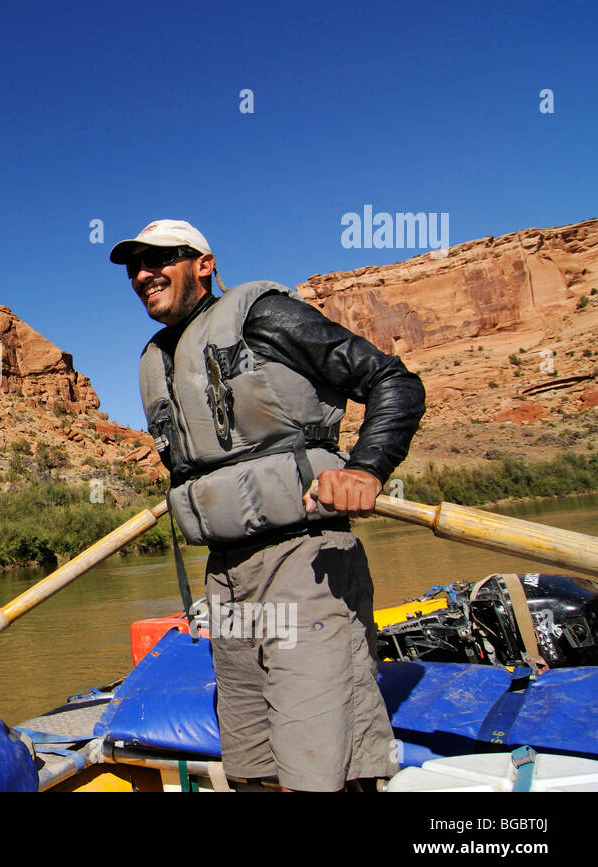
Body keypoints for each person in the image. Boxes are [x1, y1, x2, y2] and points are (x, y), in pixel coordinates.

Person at [110, 219, 425, 791]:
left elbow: (393, 381)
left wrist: (365, 468)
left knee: (319, 766)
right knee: (251, 768)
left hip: (304, 564)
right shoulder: (156, 358)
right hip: (225, 578)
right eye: (134, 266)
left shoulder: (264, 315)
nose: (143, 274)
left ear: (203, 263)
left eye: (159, 259)